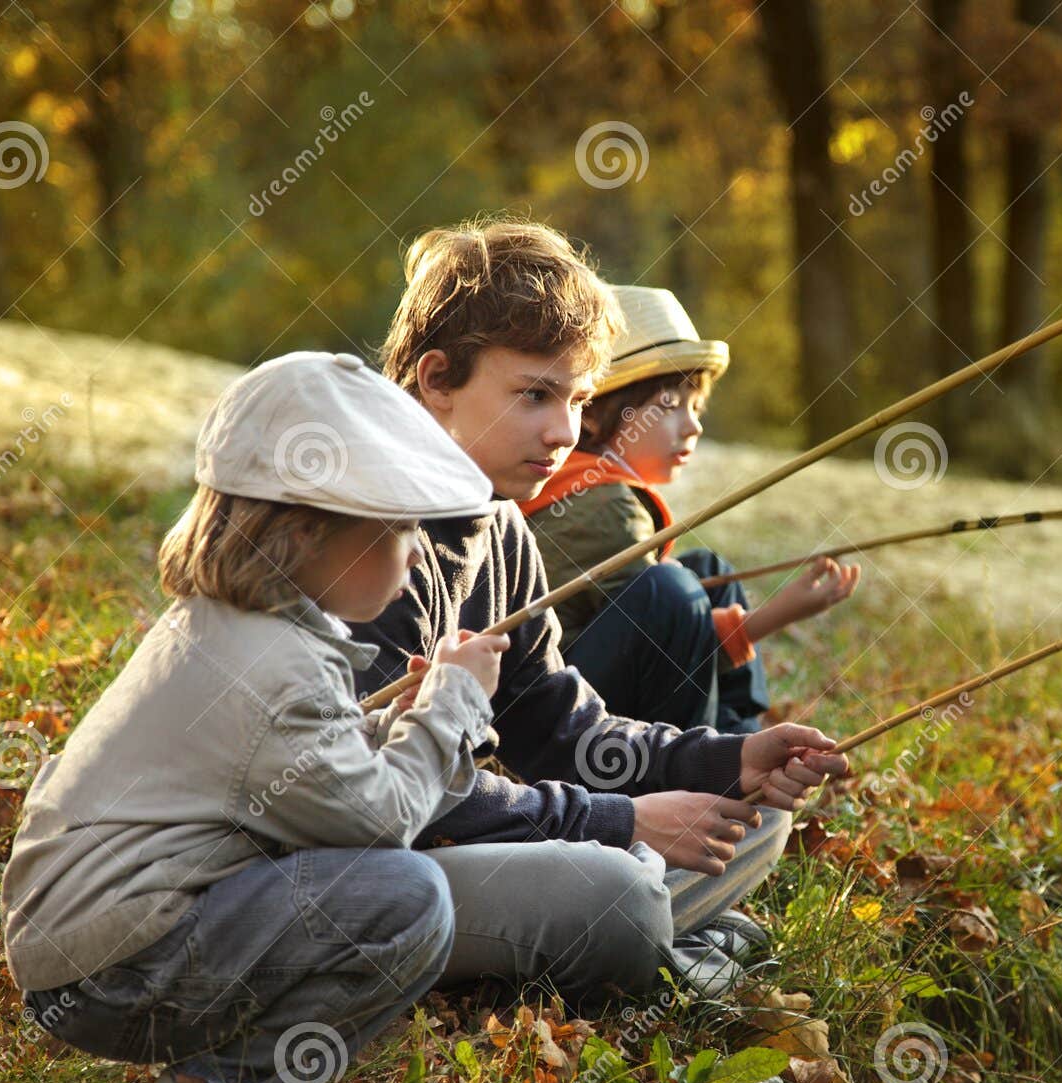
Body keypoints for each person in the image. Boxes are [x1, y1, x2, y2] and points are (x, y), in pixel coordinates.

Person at [0, 351, 508, 1083]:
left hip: (82, 950)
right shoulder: (281, 670)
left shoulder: (232, 628)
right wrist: (455, 702)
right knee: (409, 896)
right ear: (306, 534)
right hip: (113, 971)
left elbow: (304, 781)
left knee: (388, 885)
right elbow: (380, 825)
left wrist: (397, 723)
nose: (415, 553)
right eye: (399, 527)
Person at [347, 218, 852, 999]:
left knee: (755, 814)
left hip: (470, 839)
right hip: (364, 866)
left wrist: (723, 761)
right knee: (619, 895)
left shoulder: (502, 529)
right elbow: (388, 797)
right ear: (437, 378)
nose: (563, 431)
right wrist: (624, 824)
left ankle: (617, 929)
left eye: (579, 399)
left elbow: (563, 728)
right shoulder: (364, 534)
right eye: (534, 395)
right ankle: (631, 940)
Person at [522, 285, 860, 734]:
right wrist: (774, 615)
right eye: (669, 405)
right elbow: (664, 640)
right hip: (558, 721)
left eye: (696, 406)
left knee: (705, 570)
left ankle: (739, 735)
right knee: (671, 588)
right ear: (596, 413)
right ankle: (708, 767)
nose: (694, 424)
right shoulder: (601, 505)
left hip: (587, 686)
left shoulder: (596, 489)